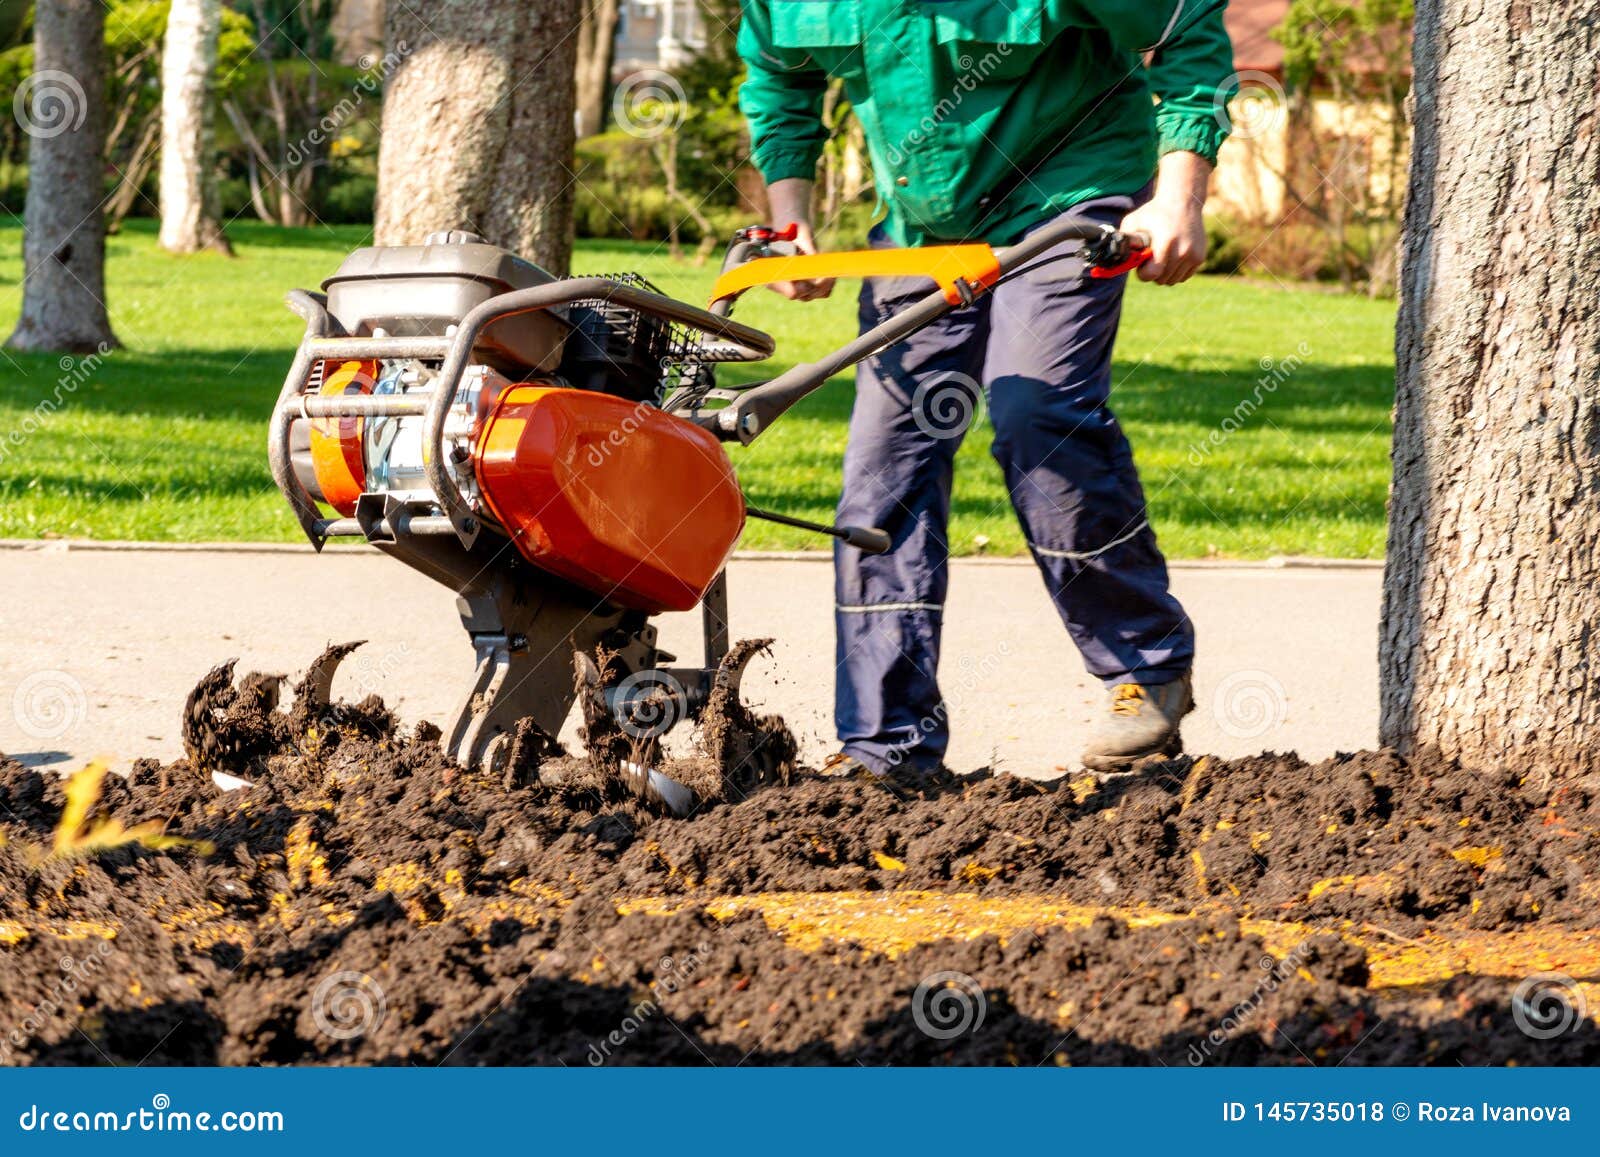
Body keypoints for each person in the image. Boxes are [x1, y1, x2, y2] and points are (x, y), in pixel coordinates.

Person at [735, 1, 1235, 784]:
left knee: (1035, 413)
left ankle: (1145, 664)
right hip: (922, 223)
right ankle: (886, 746)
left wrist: (1181, 195)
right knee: (885, 467)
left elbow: (1182, 28)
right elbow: (778, 76)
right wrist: (790, 215)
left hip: (1069, 191)